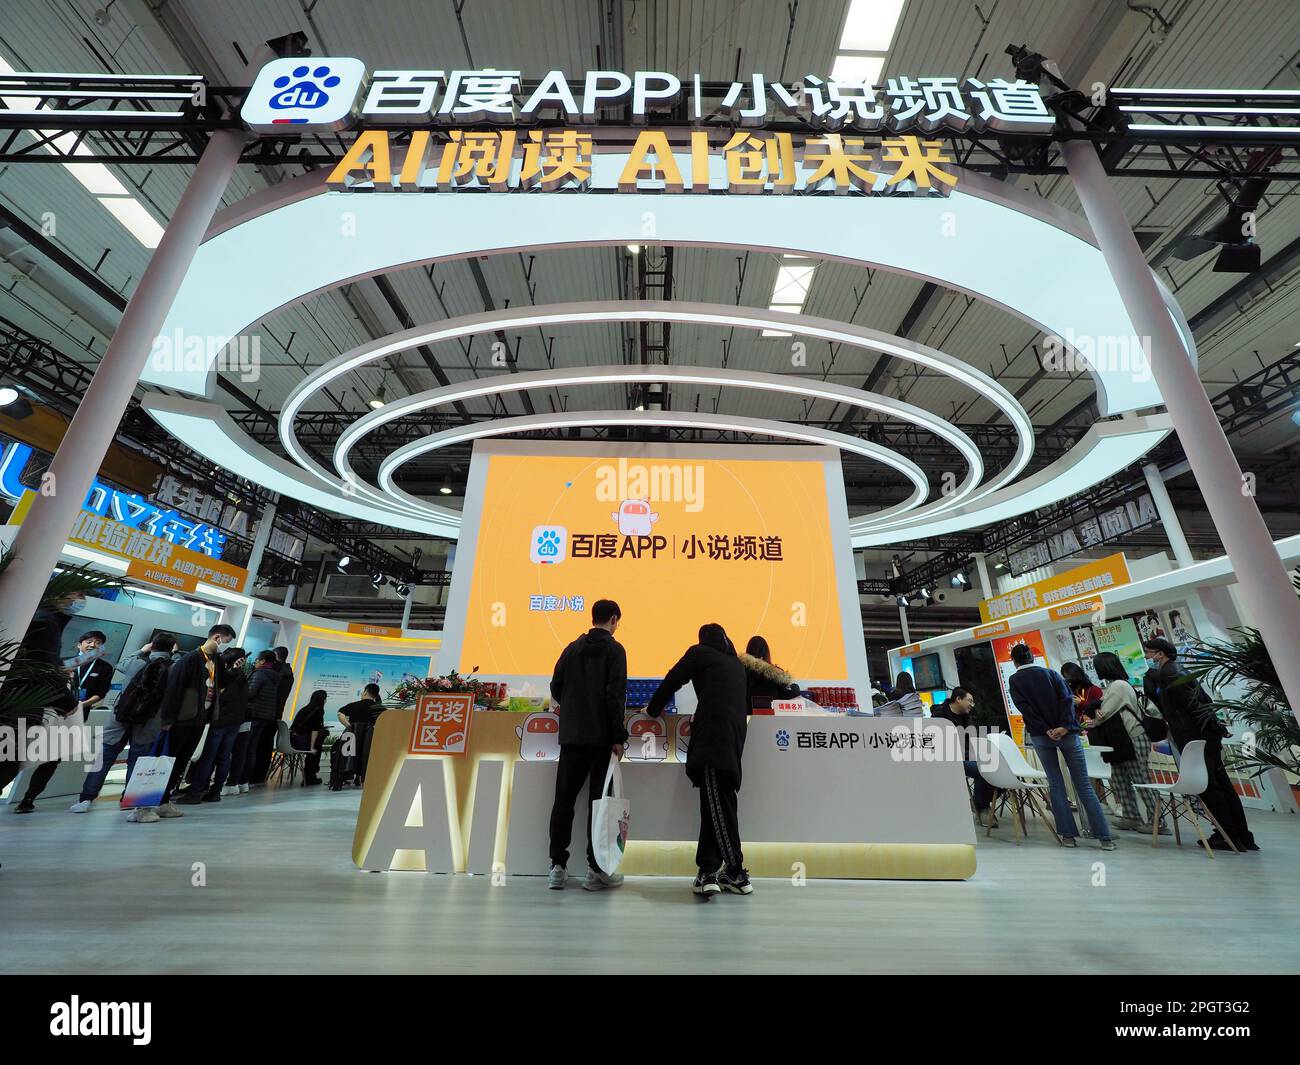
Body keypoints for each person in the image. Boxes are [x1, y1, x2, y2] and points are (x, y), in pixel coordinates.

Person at [647, 623, 751, 898]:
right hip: (733, 739)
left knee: (717, 806)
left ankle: (734, 871)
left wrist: (652, 710)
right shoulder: (735, 663)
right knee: (717, 804)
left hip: (713, 739)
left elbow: (673, 679)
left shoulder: (700, 653)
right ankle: (710, 872)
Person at [545, 599, 628, 891]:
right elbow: (615, 696)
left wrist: (571, 709)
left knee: (564, 802)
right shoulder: (615, 650)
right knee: (599, 805)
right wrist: (618, 736)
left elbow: (556, 685)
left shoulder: (572, 648)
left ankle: (557, 866)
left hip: (572, 736)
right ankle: (596, 870)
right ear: (614, 619)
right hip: (602, 739)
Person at [1143, 637, 1255, 851]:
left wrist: (1209, 729)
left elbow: (1194, 705)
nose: (1148, 657)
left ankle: (1228, 835)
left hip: (1196, 736)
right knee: (1221, 785)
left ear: (1160, 653)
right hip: (1204, 735)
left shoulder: (1170, 674)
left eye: (1149, 653)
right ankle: (1240, 835)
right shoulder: (1176, 670)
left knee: (1210, 787)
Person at [1006, 643, 1116, 850]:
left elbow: (1024, 707)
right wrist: (1064, 726)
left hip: (1041, 736)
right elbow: (1067, 700)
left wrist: (1046, 729)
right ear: (1032, 658)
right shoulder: (1051, 674)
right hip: (1067, 734)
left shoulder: (1015, 680)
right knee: (1083, 784)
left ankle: (1067, 836)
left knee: (1056, 784)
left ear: (1014, 661)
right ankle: (1104, 837)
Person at [70, 632, 178, 818]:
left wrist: (142, 649)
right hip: (149, 722)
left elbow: (122, 663)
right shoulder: (174, 668)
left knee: (103, 759)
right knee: (137, 762)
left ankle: (86, 799)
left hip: (120, 718)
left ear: (151, 646)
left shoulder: (135, 663)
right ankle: (129, 801)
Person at [15, 627, 114, 813]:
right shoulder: (63, 662)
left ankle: (28, 799)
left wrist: (81, 705)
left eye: (98, 643)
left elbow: (101, 693)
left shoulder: (104, 668)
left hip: (75, 718)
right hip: (48, 714)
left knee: (51, 759)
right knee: (21, 753)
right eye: (89, 641)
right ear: (79, 644)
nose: (93, 645)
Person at [1, 590, 82, 815]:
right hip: (20, 704)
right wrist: (67, 700)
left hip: (16, 700)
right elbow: (42, 666)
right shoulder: (45, 622)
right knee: (7, 761)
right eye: (77, 594)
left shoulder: (29, 615)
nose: (80, 601)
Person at [155, 624, 234, 816]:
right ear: (217, 638)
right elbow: (174, 689)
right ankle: (156, 800)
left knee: (182, 761)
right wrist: (168, 718)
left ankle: (165, 801)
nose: (225, 646)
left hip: (199, 720)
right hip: (182, 720)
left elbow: (221, 684)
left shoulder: (215, 661)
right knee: (168, 760)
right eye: (226, 642)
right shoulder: (190, 659)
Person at [1086, 651, 1164, 833]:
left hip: (1133, 738)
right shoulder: (1114, 685)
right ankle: (1131, 816)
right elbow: (1099, 709)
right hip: (1122, 741)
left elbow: (1104, 713)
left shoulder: (1119, 686)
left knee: (1141, 780)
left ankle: (1157, 822)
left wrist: (1095, 717)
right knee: (1119, 778)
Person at [176, 646, 249, 804]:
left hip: (220, 722)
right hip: (234, 723)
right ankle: (214, 791)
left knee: (208, 756)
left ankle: (196, 791)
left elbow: (219, 699)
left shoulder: (228, 676)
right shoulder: (243, 676)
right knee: (223, 757)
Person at [929, 686, 995, 826]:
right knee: (983, 770)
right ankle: (982, 808)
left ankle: (978, 802)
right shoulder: (939, 716)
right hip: (948, 759)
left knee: (998, 769)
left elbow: (973, 739)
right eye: (969, 701)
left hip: (966, 756)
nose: (972, 705)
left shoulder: (967, 717)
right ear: (958, 699)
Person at [229, 650, 279, 793]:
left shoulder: (260, 675)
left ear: (263, 661)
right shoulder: (275, 677)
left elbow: (249, 693)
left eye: (257, 660)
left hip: (252, 715)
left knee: (242, 749)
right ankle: (244, 782)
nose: (255, 662)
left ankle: (235, 781)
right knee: (251, 749)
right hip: (264, 717)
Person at [335, 683, 385, 788]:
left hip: (351, 739)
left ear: (365, 692)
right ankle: (364, 780)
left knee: (347, 754)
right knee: (366, 756)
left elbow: (340, 713)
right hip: (369, 738)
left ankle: (345, 777)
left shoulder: (354, 705)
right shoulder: (379, 708)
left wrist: (349, 726)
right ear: (376, 696)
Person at [738, 635, 800, 711]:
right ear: (766, 653)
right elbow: (789, 694)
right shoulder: (776, 674)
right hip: (770, 720)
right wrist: (795, 687)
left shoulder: (739, 671)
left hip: (746, 719)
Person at [290, 689, 328, 786]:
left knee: (317, 744)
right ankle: (310, 777)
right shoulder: (319, 710)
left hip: (292, 741)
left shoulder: (305, 709)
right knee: (316, 748)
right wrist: (312, 748)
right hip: (302, 742)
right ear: (323, 700)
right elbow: (314, 730)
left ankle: (310, 776)